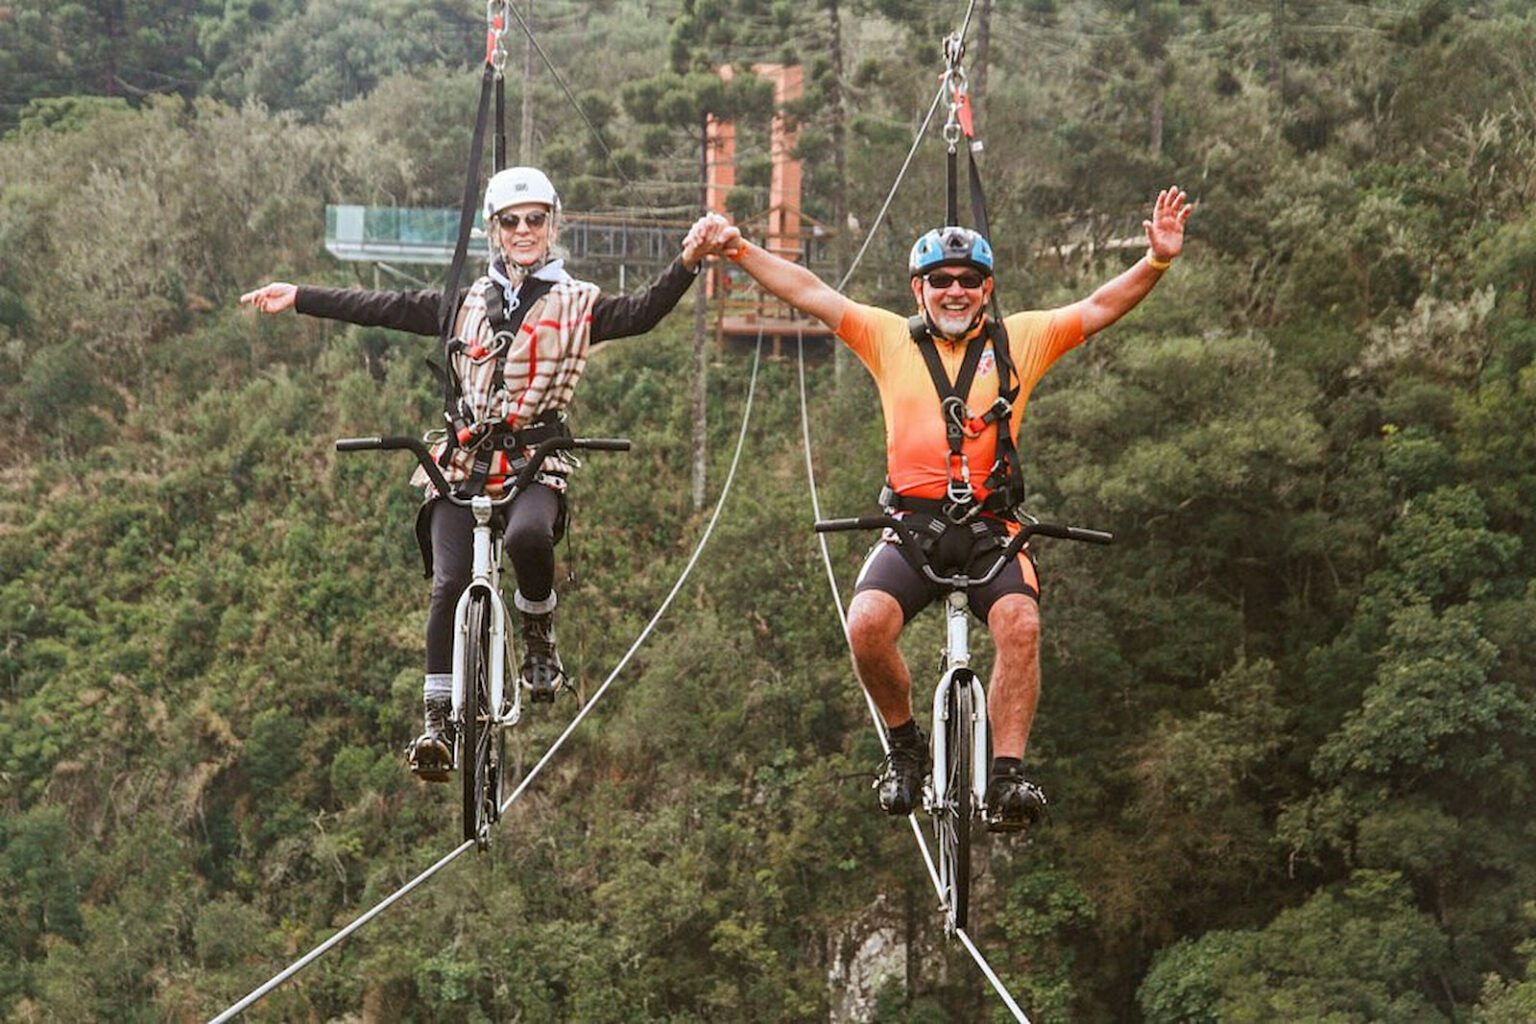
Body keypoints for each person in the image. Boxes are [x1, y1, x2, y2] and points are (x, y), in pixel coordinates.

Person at [716, 187, 1193, 831]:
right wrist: (739, 250)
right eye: (940, 280)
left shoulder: (1023, 339)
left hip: (993, 530)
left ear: (988, 289)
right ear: (919, 290)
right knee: (865, 625)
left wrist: (1156, 261)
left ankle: (1007, 777)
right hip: (912, 529)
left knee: (1021, 624)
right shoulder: (888, 338)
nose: (955, 290)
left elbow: (1100, 306)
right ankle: (906, 747)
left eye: (969, 280)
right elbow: (811, 293)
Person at [243, 167, 731, 782]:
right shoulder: (466, 302)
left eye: (534, 220)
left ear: (552, 225)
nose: (523, 231)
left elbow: (639, 314)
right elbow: (385, 307)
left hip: (533, 460)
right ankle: (437, 723)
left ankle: (537, 634)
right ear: (495, 232)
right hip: (464, 461)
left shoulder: (577, 303)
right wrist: (302, 295)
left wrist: (687, 260)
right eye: (511, 221)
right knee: (449, 583)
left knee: (529, 538)